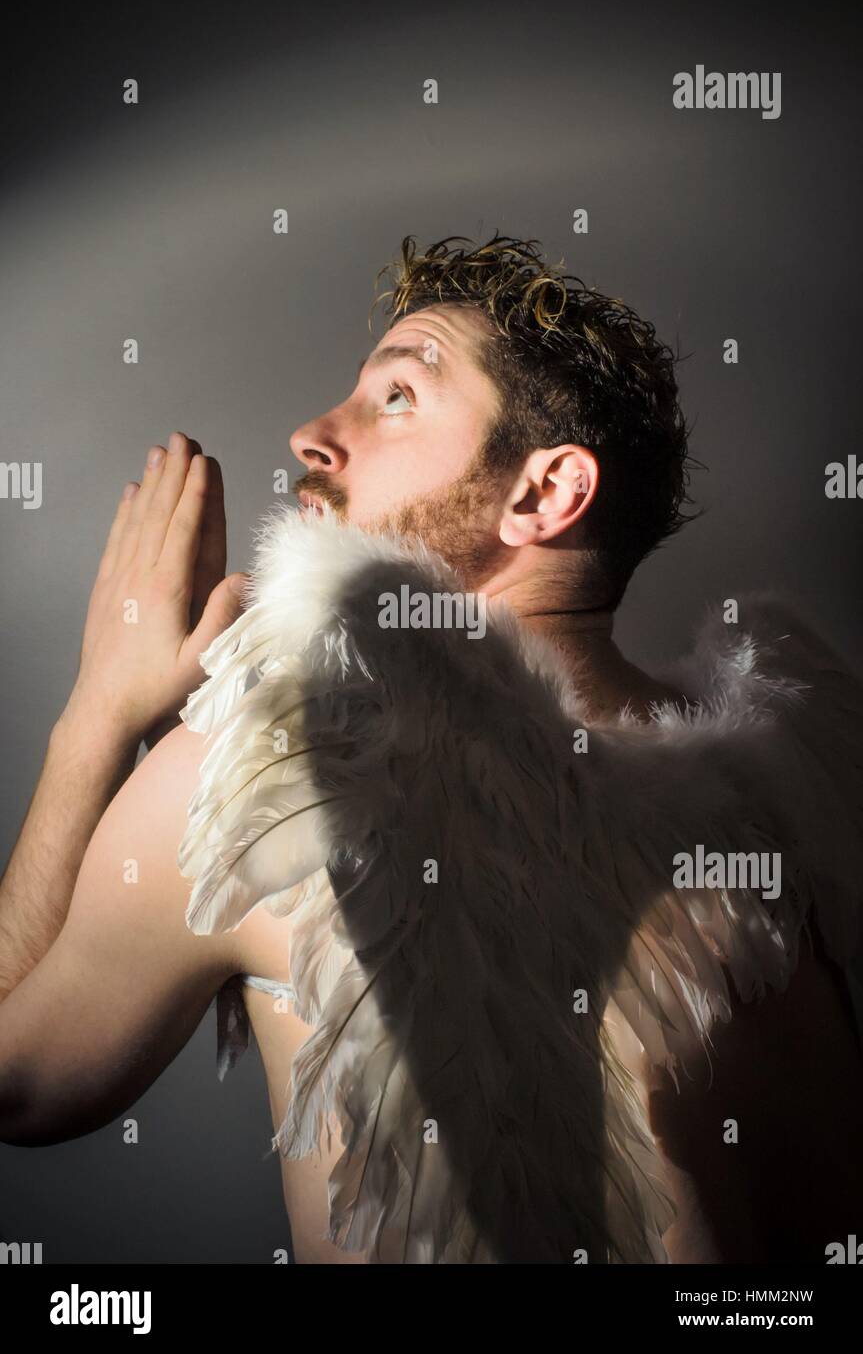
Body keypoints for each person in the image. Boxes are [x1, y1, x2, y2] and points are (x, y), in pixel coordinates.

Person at [1, 234, 861, 1264]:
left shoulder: (275, 776)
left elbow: (21, 1082)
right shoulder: (784, 805)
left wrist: (97, 707)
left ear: (543, 493)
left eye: (398, 396)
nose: (314, 434)